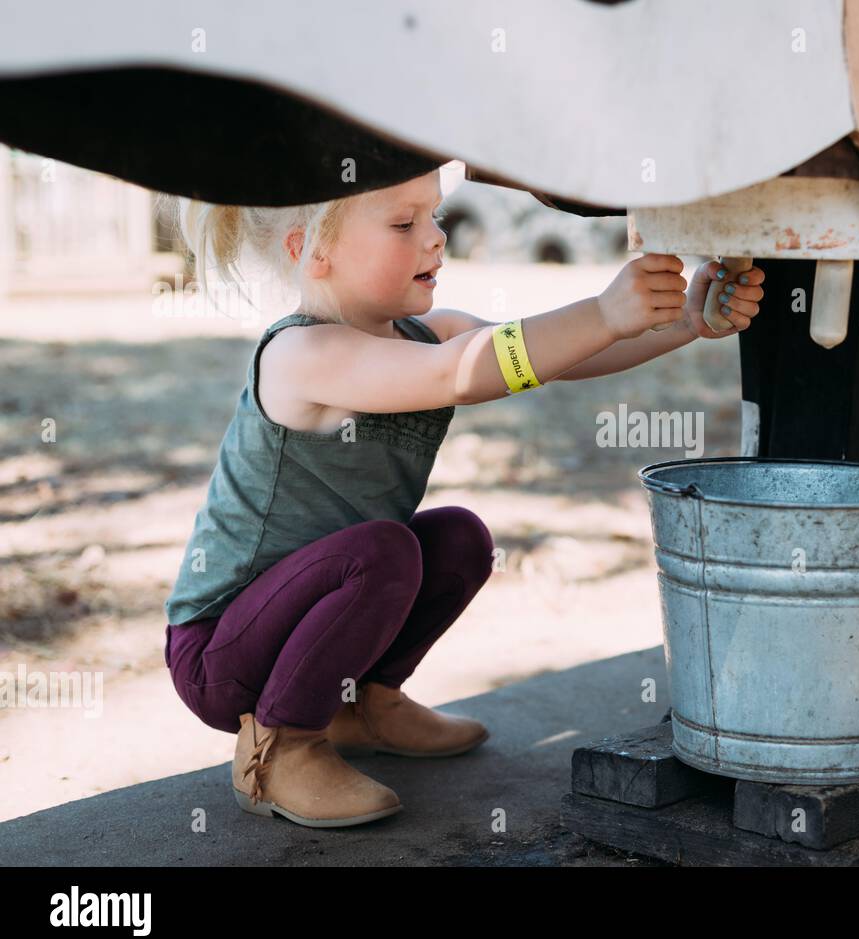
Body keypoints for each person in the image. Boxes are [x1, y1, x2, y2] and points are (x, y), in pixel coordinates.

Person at [159, 167, 765, 828]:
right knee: (384, 553)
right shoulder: (302, 353)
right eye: (403, 223)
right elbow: (462, 373)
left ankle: (361, 704)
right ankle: (280, 749)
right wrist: (600, 311)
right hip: (222, 655)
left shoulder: (432, 330)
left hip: (309, 614)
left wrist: (682, 319)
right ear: (312, 250)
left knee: (455, 540)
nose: (435, 239)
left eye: (434, 216)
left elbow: (567, 356)